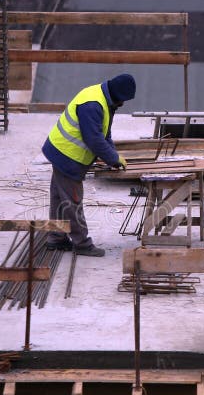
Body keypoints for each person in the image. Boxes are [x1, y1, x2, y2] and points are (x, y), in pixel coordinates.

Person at [41, 73, 135, 257]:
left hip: (61, 150)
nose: (123, 104)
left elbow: (104, 134)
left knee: (59, 198)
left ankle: (56, 237)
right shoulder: (93, 105)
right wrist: (113, 159)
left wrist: (113, 156)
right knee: (73, 200)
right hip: (67, 156)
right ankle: (82, 243)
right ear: (117, 95)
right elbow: (93, 139)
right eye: (122, 100)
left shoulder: (103, 98)